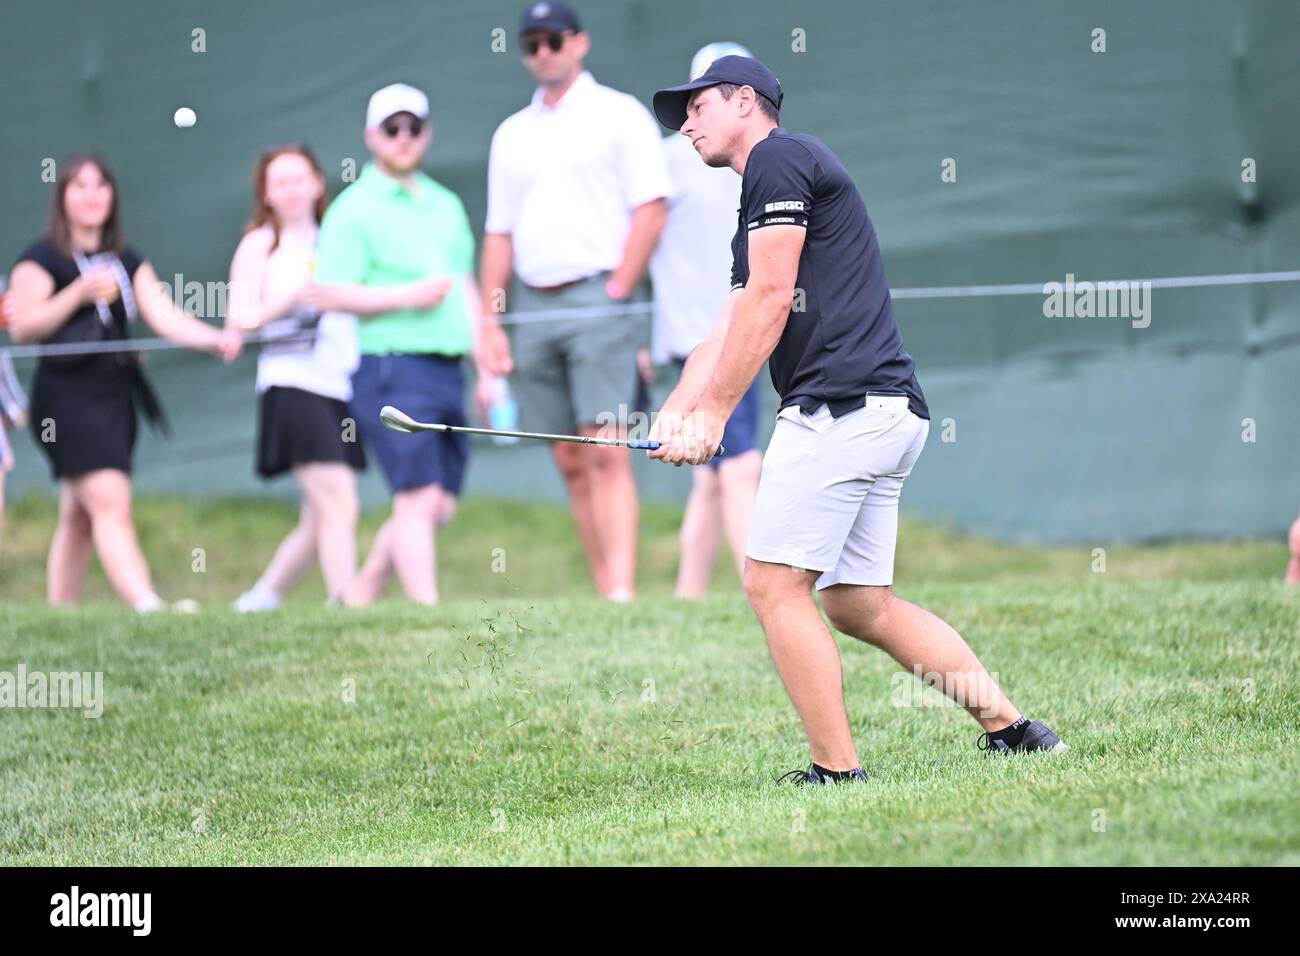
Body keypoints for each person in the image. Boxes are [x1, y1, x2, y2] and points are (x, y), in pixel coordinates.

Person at [647, 57, 1067, 783]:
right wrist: (679, 407)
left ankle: (836, 773)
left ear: (746, 101)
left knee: (772, 586)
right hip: (884, 413)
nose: (686, 122)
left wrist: (716, 414)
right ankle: (1015, 730)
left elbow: (773, 299)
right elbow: (730, 320)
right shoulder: (764, 190)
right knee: (856, 601)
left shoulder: (778, 157)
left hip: (840, 413)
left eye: (698, 106)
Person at [476, 1, 670, 602]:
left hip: (598, 295)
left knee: (606, 447)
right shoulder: (511, 133)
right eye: (531, 43)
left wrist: (617, 289)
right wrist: (490, 320)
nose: (543, 52)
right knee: (566, 455)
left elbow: (651, 208)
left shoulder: (619, 114)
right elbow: (499, 235)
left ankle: (622, 591)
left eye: (553, 39)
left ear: (579, 43)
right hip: (534, 304)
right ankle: (602, 584)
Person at [5, 154, 242, 610]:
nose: (92, 195)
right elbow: (23, 326)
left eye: (101, 185)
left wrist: (216, 340)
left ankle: (60, 614)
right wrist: (78, 292)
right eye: (80, 186)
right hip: (66, 404)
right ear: (62, 197)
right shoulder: (40, 259)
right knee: (111, 500)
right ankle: (147, 604)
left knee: (78, 515)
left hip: (114, 397)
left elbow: (163, 314)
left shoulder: (125, 259)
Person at [313, 83, 480, 606]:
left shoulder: (446, 204)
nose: (403, 138)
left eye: (413, 128)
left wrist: (488, 364)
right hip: (391, 369)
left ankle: (358, 595)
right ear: (371, 137)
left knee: (440, 506)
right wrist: (408, 295)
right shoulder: (352, 209)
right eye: (392, 129)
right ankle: (428, 611)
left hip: (448, 368)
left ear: (426, 134)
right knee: (418, 498)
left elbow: (465, 283)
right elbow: (329, 293)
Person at [226, 144, 364, 611]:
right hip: (291, 383)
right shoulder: (261, 244)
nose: (290, 190)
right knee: (339, 501)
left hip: (337, 383)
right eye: (279, 181)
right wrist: (286, 300)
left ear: (318, 184)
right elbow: (239, 320)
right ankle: (346, 603)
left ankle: (262, 597)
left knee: (317, 516)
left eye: (299, 178)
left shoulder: (335, 239)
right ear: (265, 193)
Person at [649, 42, 763, 598]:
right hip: (701, 334)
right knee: (739, 462)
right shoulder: (671, 160)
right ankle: (761, 590)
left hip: (738, 326)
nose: (695, 122)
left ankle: (686, 596)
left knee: (712, 472)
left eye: (704, 105)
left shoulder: (767, 164)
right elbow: (640, 240)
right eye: (692, 107)